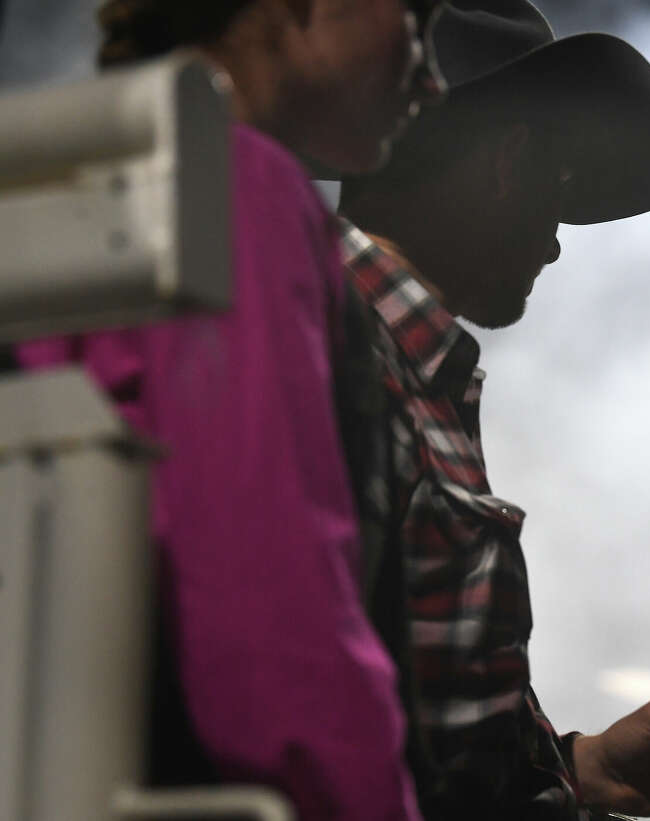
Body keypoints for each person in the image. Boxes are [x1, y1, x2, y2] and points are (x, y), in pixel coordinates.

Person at [334, 1, 650, 818]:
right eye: (561, 191)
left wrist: (589, 768)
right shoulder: (329, 346)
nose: (557, 240)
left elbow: (417, 736)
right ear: (511, 160)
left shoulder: (405, 361)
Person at [17, 1, 444, 817]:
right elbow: (270, 617)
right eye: (416, 18)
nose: (429, 73)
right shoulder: (234, 184)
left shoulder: (70, 186)